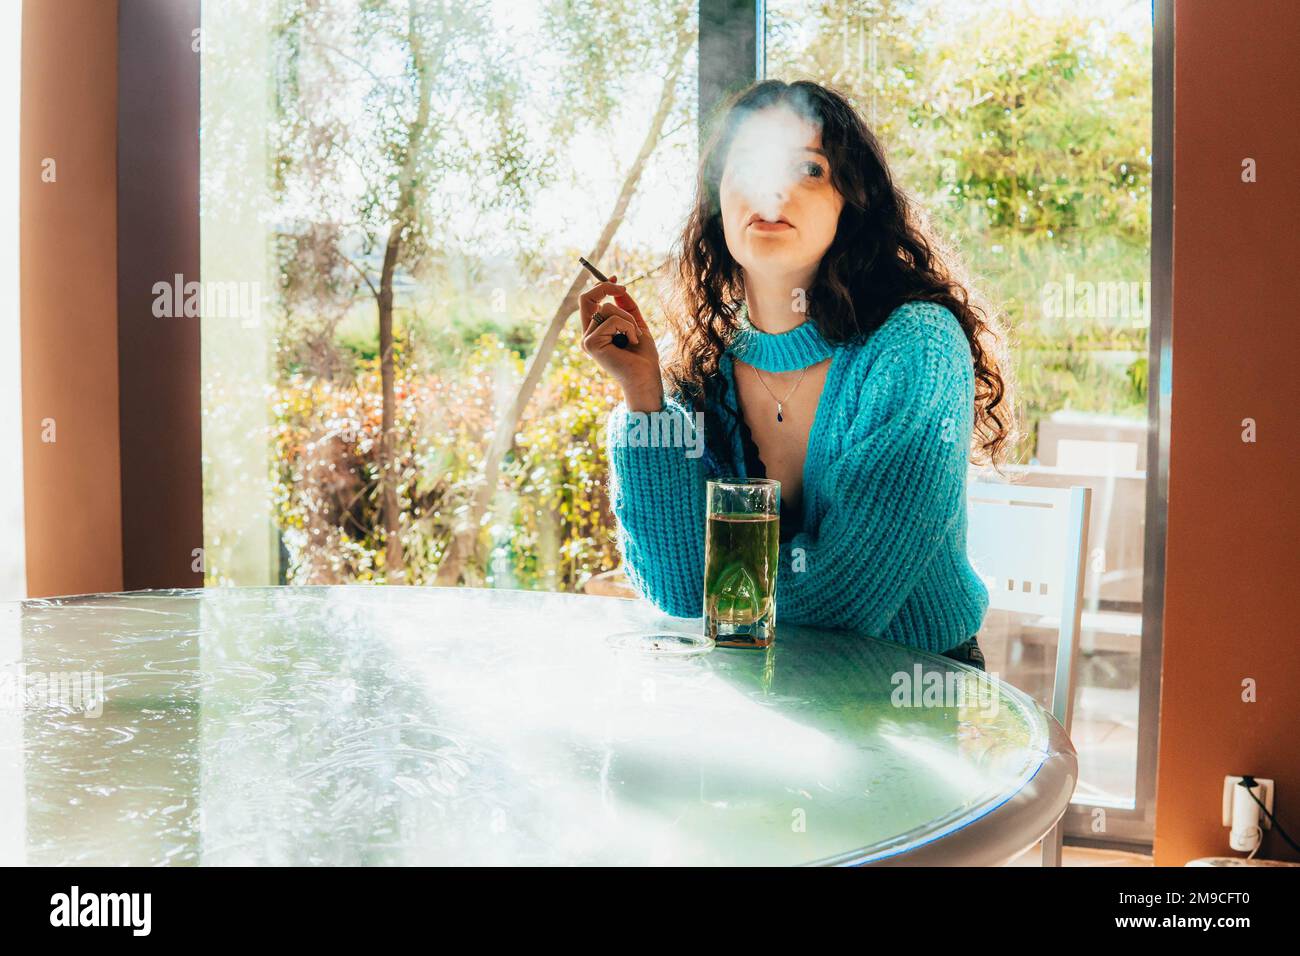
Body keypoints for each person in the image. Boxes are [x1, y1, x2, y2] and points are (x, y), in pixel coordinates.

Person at [577, 80, 1012, 668]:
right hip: (754, 676)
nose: (773, 188)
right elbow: (675, 587)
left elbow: (847, 597)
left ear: (851, 203)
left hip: (906, 684)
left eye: (808, 169)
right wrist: (644, 398)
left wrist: (731, 596)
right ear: (718, 203)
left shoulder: (915, 347)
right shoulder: (699, 363)